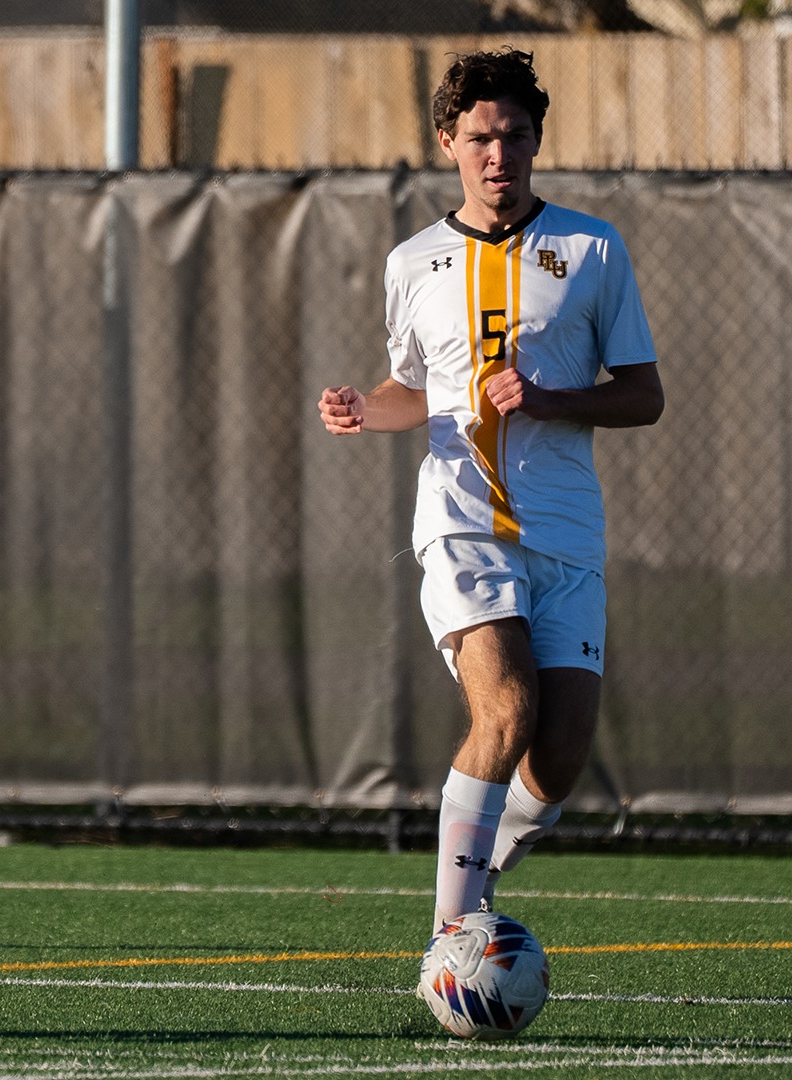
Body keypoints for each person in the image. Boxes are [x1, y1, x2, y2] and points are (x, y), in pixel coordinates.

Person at [317, 48, 663, 936]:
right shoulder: (413, 264)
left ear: (536, 139)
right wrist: (367, 407)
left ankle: (485, 854)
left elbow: (642, 393)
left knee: (557, 758)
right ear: (448, 142)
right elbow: (417, 391)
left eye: (513, 136)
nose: (497, 155)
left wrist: (552, 400)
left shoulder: (591, 248)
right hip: (461, 525)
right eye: (479, 138)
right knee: (504, 709)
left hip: (565, 533)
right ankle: (451, 933)